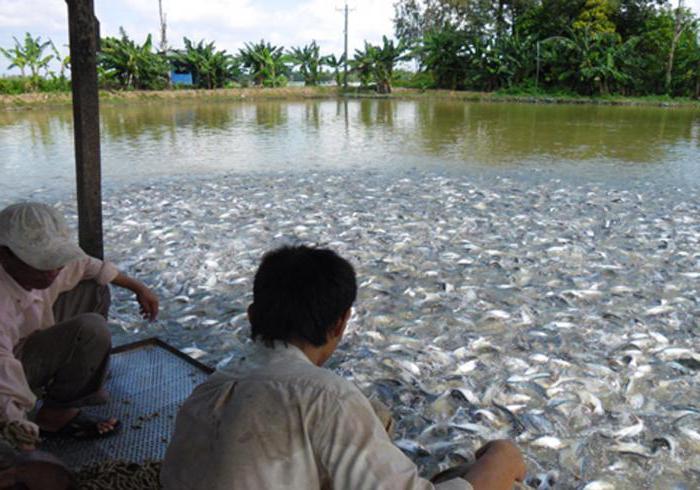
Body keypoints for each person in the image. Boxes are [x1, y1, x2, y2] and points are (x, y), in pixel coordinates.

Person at [161, 245, 526, 490]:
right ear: (341, 324)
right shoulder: (326, 397)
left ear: (252, 316)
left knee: (377, 415)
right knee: (501, 466)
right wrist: (503, 458)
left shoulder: (207, 392)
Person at [0, 202, 159, 447]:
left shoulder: (48, 270)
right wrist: (18, 432)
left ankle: (70, 389)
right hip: (9, 358)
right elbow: (3, 370)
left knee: (96, 288)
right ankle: (54, 418)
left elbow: (90, 266)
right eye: (41, 263)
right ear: (4, 254)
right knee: (92, 330)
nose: (53, 272)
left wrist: (139, 288)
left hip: (27, 337)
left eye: (57, 262)